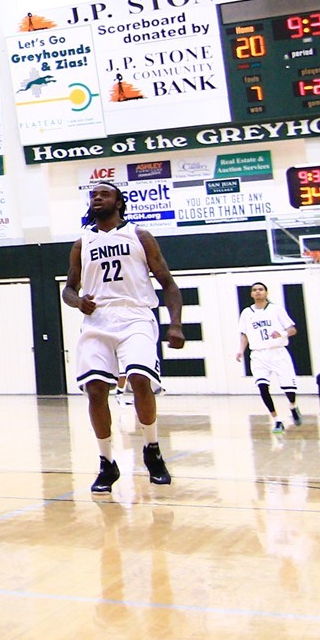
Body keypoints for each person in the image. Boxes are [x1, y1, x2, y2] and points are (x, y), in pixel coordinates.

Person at [64, 181, 186, 494]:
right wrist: (78, 302)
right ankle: (107, 462)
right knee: (95, 390)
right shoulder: (82, 242)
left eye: (104, 194)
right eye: (93, 195)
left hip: (135, 315)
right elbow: (68, 289)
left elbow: (168, 283)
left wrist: (175, 324)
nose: (97, 198)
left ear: (119, 202)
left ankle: (152, 449)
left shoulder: (139, 236)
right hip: (98, 319)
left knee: (140, 379)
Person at [234, 282, 302, 431]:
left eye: (261, 289)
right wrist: (240, 350)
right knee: (263, 387)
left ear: (266, 292)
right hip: (258, 355)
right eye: (254, 290)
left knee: (289, 389)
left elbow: (292, 330)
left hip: (278, 352)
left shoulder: (276, 309)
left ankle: (292, 406)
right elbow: (244, 334)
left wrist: (281, 333)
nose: (258, 292)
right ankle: (277, 420)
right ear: (251, 294)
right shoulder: (246, 313)